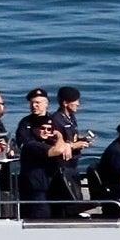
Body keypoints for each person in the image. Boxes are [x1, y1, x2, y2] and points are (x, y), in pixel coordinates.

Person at [10, 86, 74, 218]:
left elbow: (67, 141)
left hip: (55, 179)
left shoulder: (55, 120)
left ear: (46, 103)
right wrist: (62, 143)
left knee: (59, 214)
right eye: (32, 103)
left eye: (38, 103)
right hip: (34, 181)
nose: (34, 106)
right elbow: (27, 145)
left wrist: (67, 144)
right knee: (38, 216)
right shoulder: (25, 124)